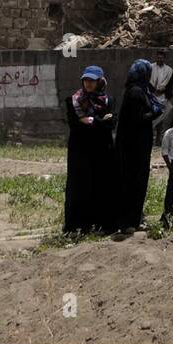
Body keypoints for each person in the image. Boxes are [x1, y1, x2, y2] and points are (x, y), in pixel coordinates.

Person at [64, 66, 115, 234]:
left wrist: (90, 121)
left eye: (92, 81)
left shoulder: (108, 100)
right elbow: (76, 125)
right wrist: (100, 121)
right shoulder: (74, 101)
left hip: (101, 151)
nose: (88, 84)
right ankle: (77, 226)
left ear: (100, 81)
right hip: (80, 152)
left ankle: (100, 224)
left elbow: (110, 124)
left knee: (101, 186)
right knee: (79, 187)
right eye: (86, 80)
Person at [116, 59, 162, 233]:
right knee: (133, 182)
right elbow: (138, 119)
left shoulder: (140, 90)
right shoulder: (136, 92)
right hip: (133, 148)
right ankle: (128, 221)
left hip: (137, 145)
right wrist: (154, 112)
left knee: (136, 182)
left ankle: (134, 219)